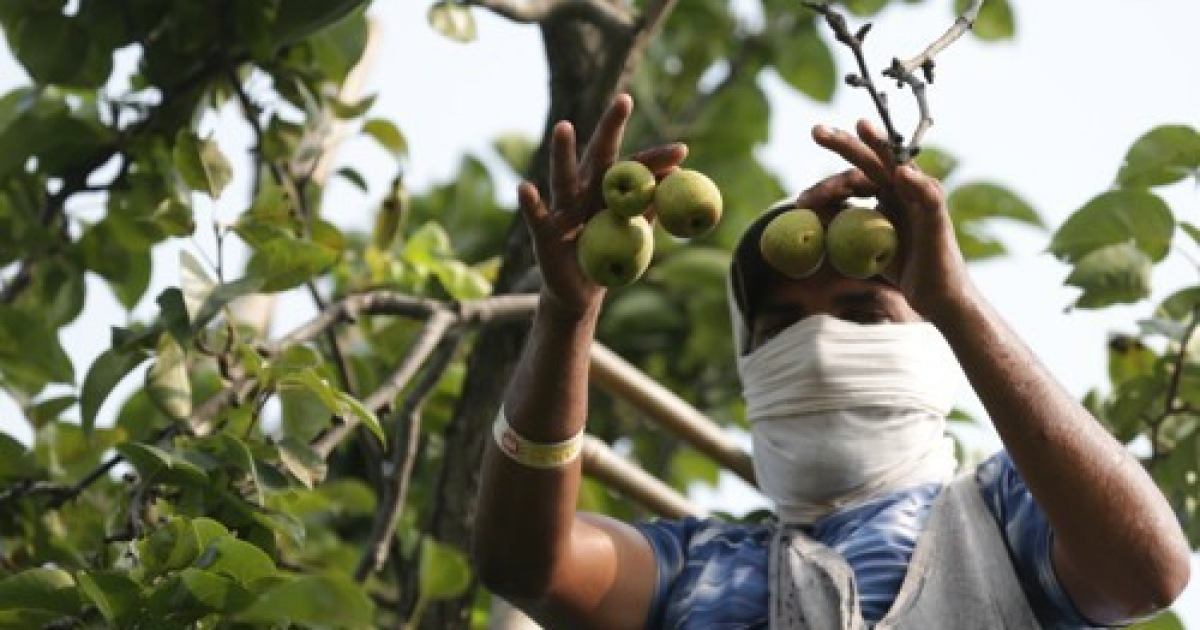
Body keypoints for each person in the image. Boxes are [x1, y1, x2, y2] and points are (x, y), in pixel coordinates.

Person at [472, 94, 1191, 629]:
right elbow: (525, 565)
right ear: (750, 365)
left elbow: (1145, 573)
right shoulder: (698, 571)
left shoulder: (1005, 515)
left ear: (927, 340)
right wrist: (566, 317)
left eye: (862, 313)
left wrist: (957, 303)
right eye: (780, 327)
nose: (817, 345)